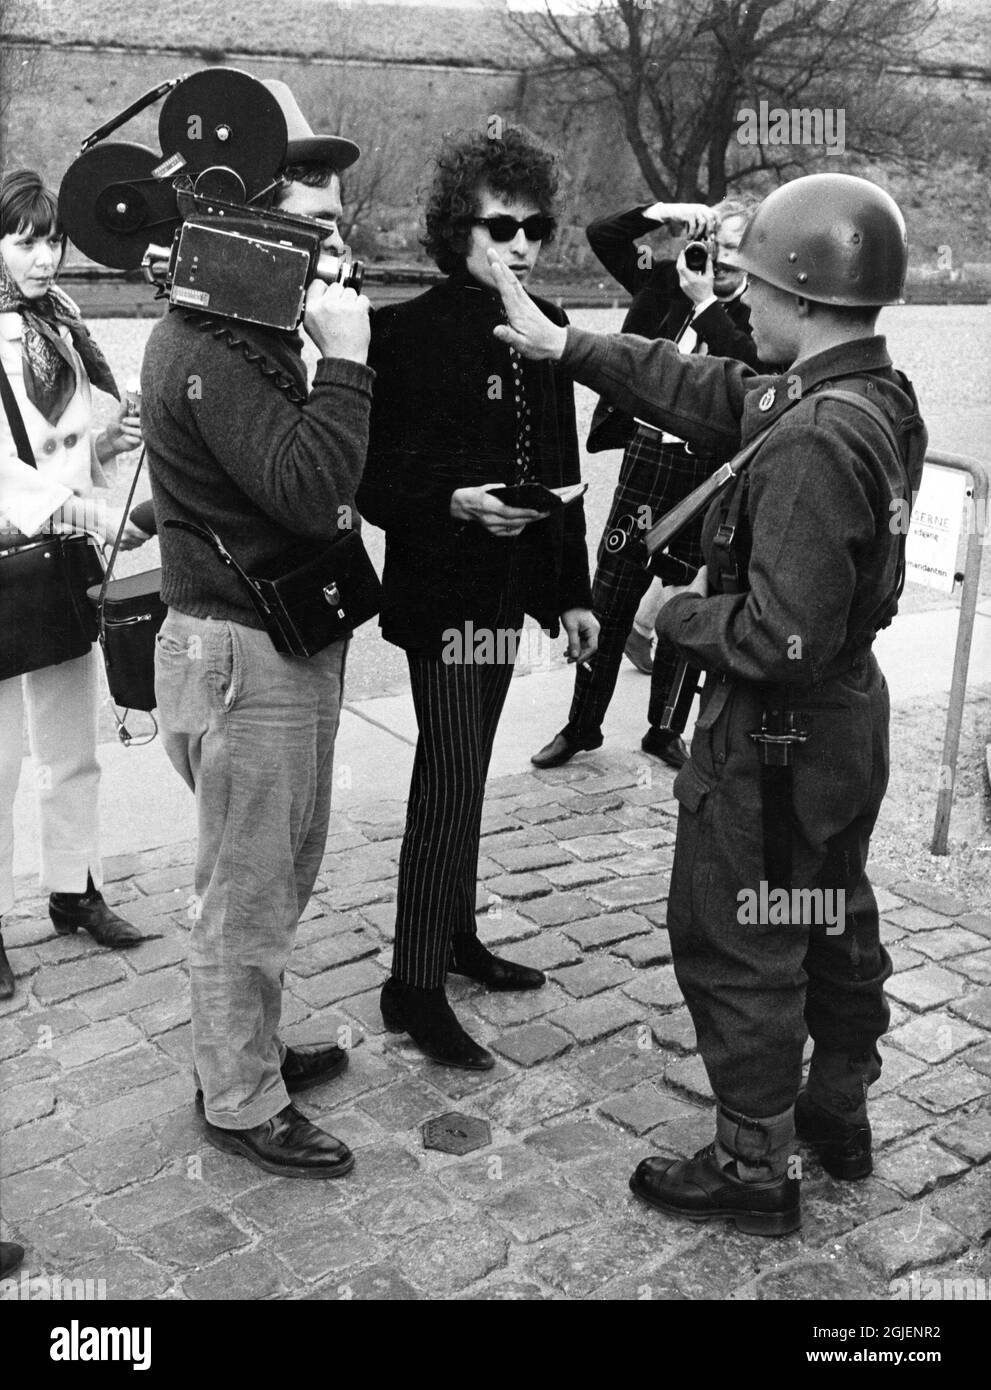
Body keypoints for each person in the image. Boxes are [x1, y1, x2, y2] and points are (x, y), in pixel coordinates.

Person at [488, 172, 926, 1235]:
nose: (739, 301)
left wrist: (676, 615)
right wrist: (570, 347)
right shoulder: (865, 390)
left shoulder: (818, 436)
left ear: (803, 294)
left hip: (776, 736)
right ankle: (836, 1112)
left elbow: (779, 634)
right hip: (841, 724)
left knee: (740, 936)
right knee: (826, 914)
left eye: (752, 284)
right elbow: (715, 391)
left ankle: (750, 1163)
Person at [143, 80, 371, 1179]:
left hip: (277, 643)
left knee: (276, 870)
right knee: (245, 889)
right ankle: (237, 1094)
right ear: (244, 211)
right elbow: (316, 487)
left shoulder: (251, 326)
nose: (335, 219)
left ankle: (249, 1048)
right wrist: (351, 359)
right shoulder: (208, 346)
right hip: (244, 652)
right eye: (312, 201)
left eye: (337, 202)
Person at [356, 126, 597, 1070]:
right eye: (502, 226)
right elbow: (370, 480)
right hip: (441, 594)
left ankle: (452, 938)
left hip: (506, 597)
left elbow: (562, 471)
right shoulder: (401, 332)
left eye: (535, 225)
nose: (523, 244)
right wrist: (452, 502)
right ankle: (411, 984)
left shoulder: (543, 322)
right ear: (458, 227)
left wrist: (570, 596)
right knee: (449, 777)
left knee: (469, 775)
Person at [532, 197, 764, 774]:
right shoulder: (665, 281)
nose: (725, 258)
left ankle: (664, 729)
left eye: (740, 248)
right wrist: (666, 213)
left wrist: (707, 301)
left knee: (688, 603)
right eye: (720, 244)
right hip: (647, 461)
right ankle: (582, 725)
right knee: (610, 595)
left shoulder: (759, 313)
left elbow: (752, 374)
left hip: (709, 474)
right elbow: (603, 231)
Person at [0, 169, 150, 1002]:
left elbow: (73, 449)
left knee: (70, 744)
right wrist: (84, 512)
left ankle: (73, 887)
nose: (45, 256)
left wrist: (108, 442)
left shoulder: (64, 322)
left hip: (61, 559)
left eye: (51, 238)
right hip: (7, 556)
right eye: (24, 238)